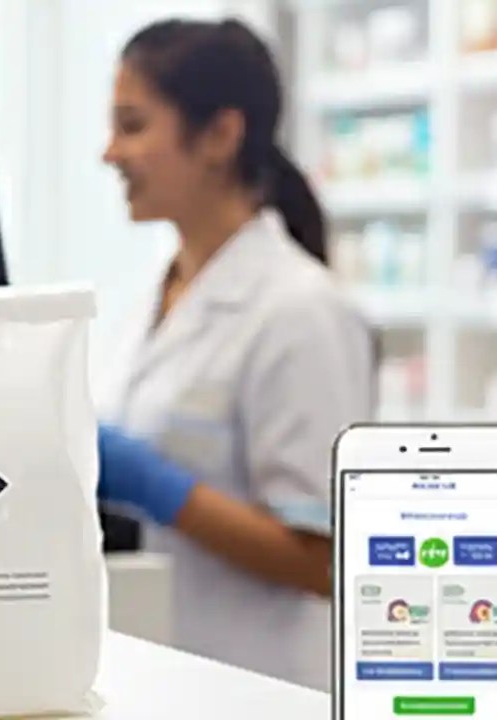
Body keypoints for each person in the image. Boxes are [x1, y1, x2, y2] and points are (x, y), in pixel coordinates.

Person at [93, 18, 374, 691]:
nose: (110, 153)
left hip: (257, 685)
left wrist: (162, 489)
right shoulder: (155, 300)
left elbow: (327, 563)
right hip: (164, 670)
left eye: (133, 126)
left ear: (220, 135)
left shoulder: (300, 310)